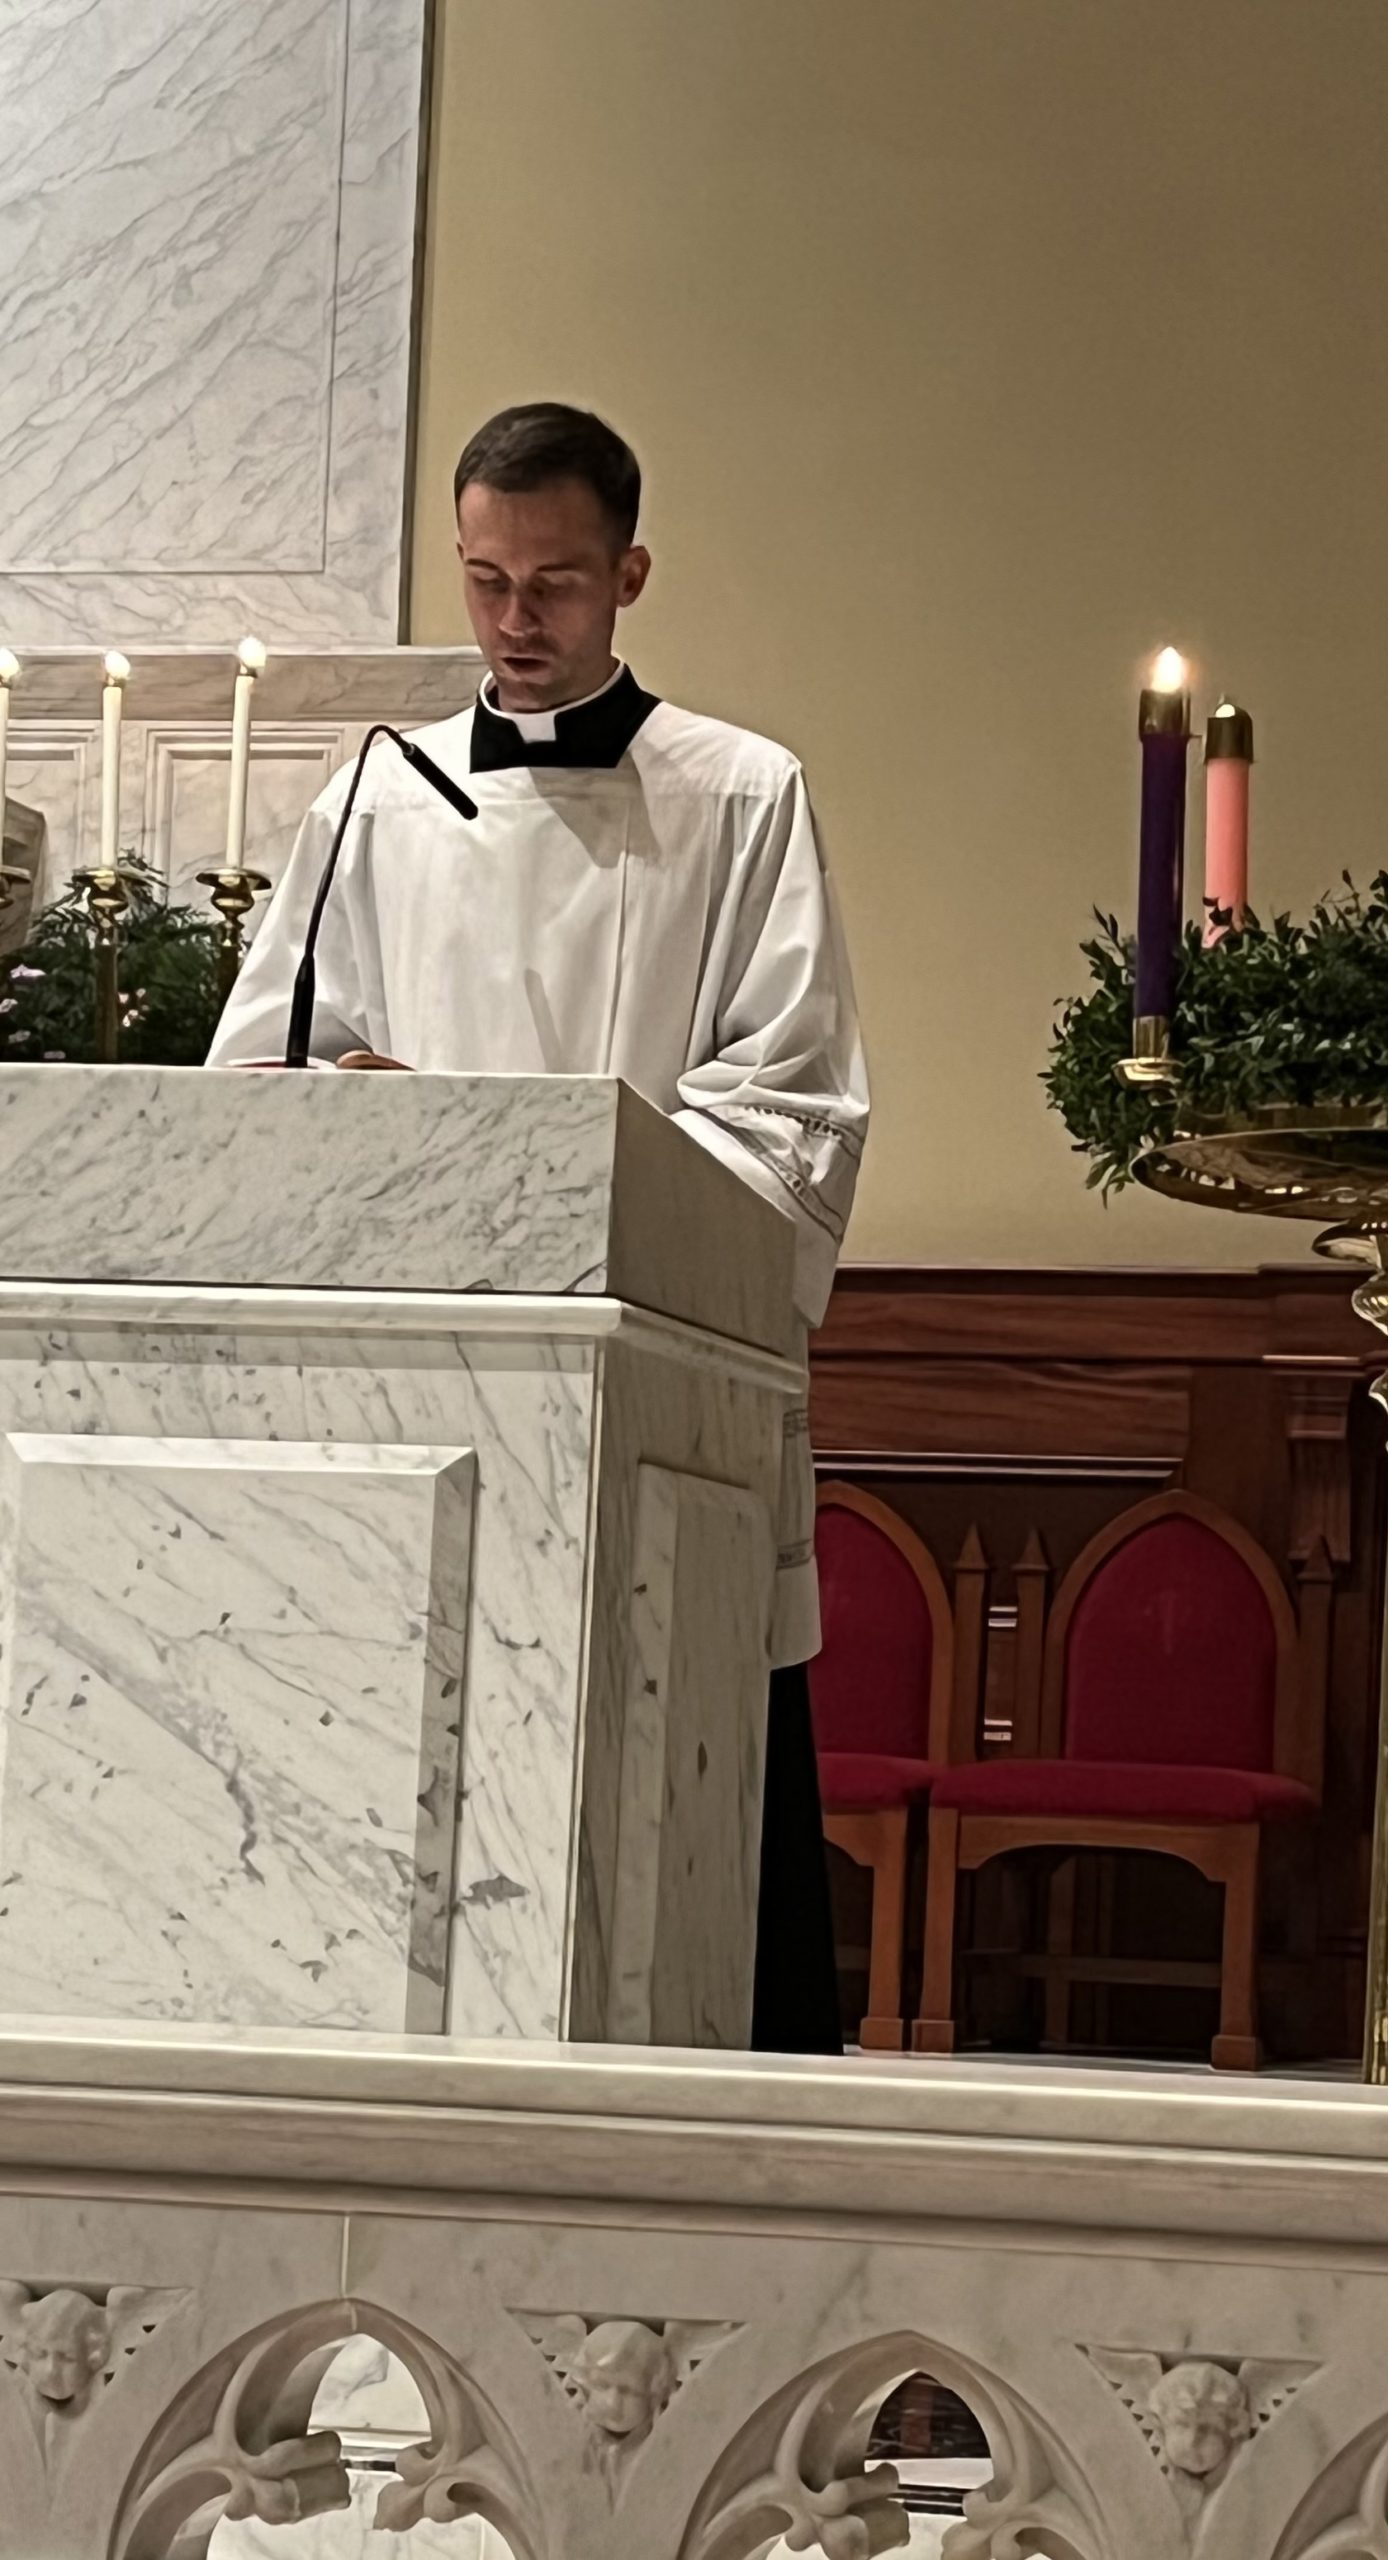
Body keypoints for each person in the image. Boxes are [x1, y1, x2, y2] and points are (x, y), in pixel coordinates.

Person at [208, 402, 867, 2053]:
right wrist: (386, 1105)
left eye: (555, 583)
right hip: (425, 1388)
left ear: (629, 572)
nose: (513, 620)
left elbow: (793, 1102)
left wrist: (569, 1173)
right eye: (487, 579)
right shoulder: (376, 794)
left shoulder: (738, 791)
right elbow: (267, 1070)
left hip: (639, 1383)